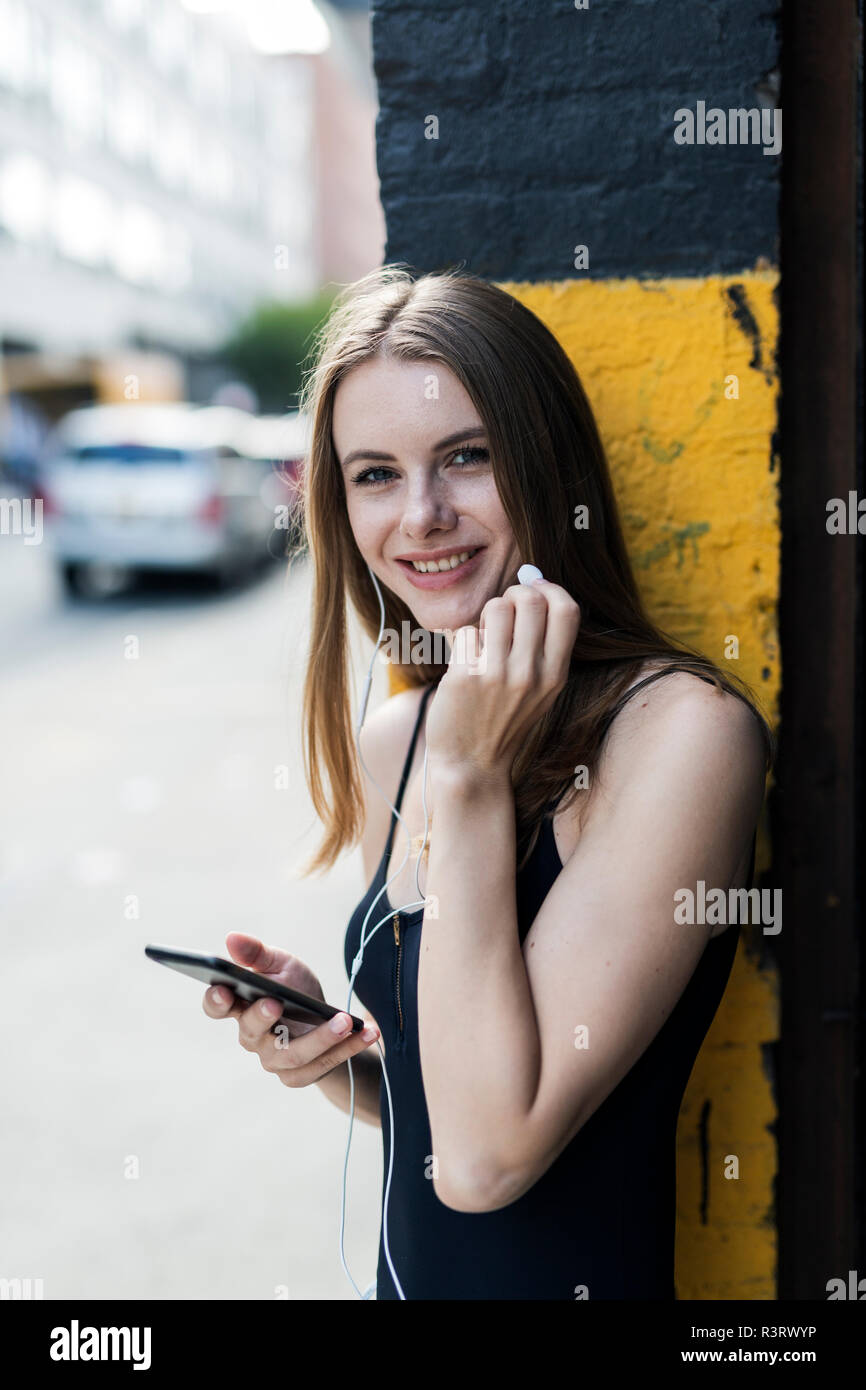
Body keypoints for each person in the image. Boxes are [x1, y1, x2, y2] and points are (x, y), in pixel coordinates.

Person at [202, 265, 774, 1300]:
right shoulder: (399, 740)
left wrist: (466, 775)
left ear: (547, 467)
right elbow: (443, 1110)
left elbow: (488, 1158)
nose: (419, 515)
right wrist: (334, 1057)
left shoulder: (682, 734)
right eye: (372, 473)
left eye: (465, 458)